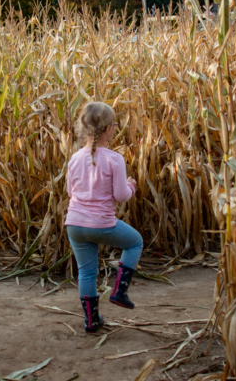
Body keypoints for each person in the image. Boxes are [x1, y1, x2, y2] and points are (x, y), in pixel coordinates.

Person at [65, 102, 143, 333]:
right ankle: (120, 291)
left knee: (87, 272)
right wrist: (131, 186)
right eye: (115, 124)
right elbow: (121, 195)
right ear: (108, 129)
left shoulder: (75, 158)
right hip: (101, 223)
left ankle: (92, 321)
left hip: (75, 224)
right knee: (135, 242)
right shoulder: (114, 159)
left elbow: (71, 193)